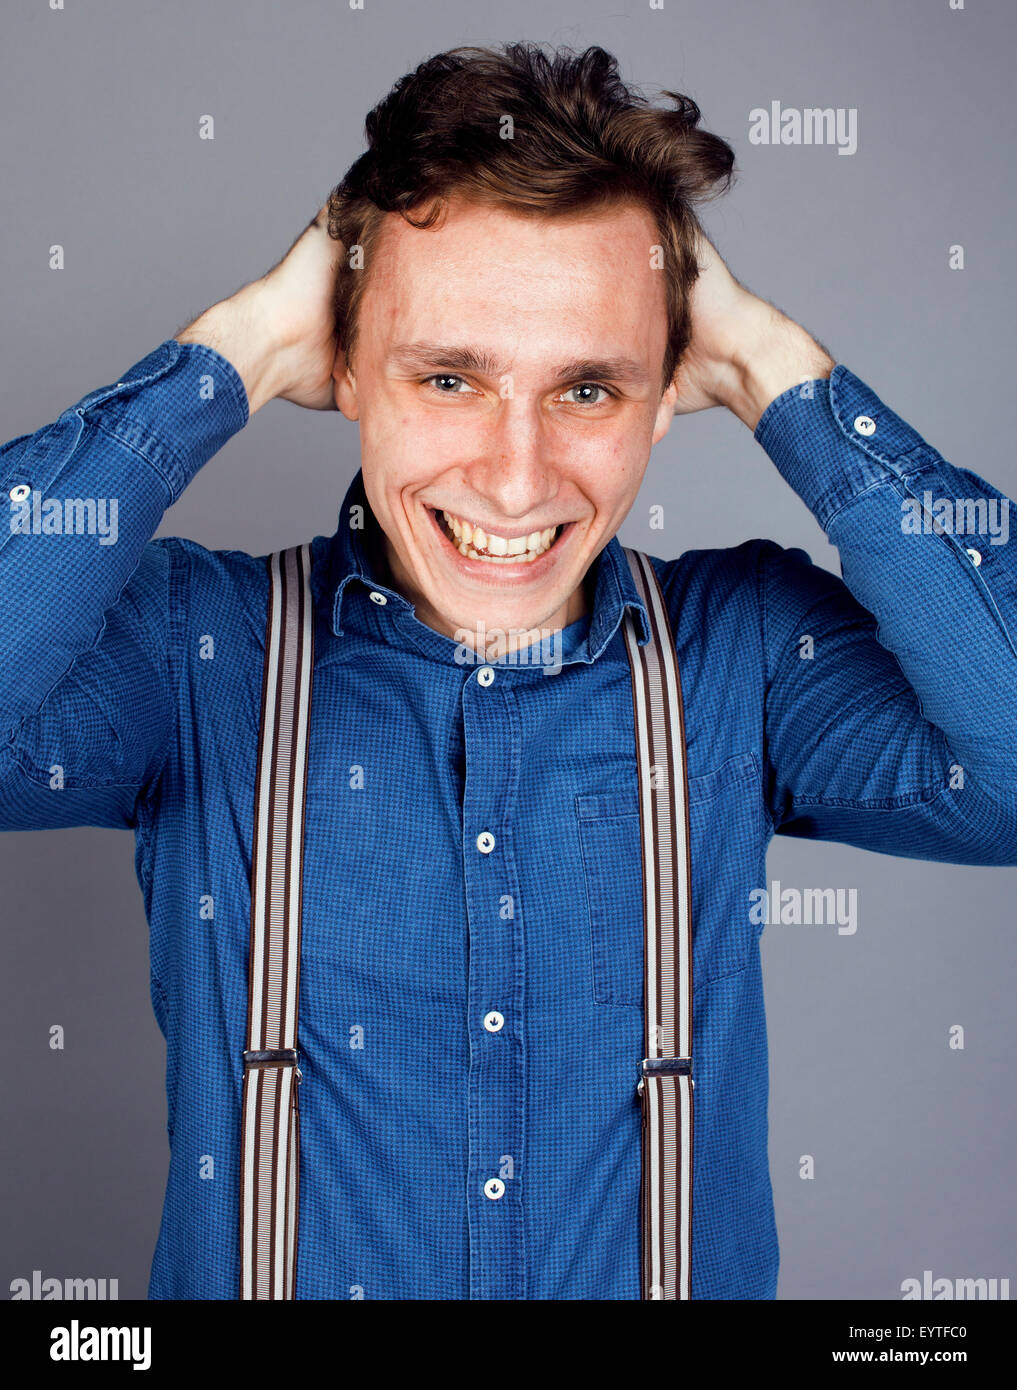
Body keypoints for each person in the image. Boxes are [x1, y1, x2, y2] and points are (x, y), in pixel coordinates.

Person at [2, 42, 1015, 1301]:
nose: (518, 476)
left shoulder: (741, 652)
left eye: (588, 387)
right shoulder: (194, 653)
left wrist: (781, 375)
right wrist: (233, 352)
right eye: (447, 377)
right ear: (345, 374)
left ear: (661, 400)